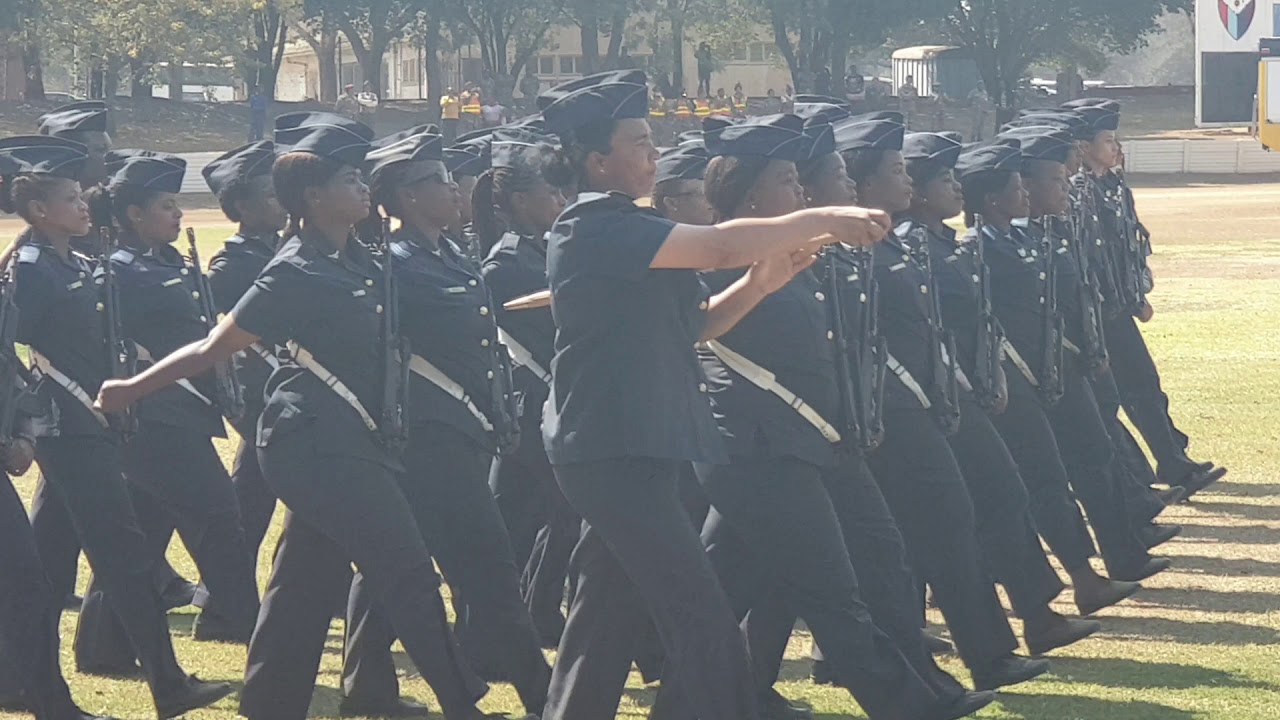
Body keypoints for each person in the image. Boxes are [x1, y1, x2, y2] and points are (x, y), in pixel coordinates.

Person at [94, 112, 514, 720]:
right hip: (311, 444)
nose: (364, 189)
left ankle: (268, 701)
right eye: (350, 180)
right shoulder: (294, 269)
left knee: (303, 580)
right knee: (408, 570)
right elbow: (215, 347)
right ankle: (461, 704)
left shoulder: (360, 260)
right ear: (313, 197)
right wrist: (132, 387)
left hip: (353, 442)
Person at [532, 69, 891, 720]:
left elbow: (698, 324)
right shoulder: (596, 227)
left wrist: (762, 282)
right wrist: (825, 217)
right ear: (597, 161)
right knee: (701, 616)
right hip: (611, 451)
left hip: (635, 443)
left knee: (605, 614)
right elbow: (722, 244)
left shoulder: (627, 228)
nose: (655, 153)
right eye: (639, 142)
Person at [660, 111, 995, 720]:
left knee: (782, 579)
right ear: (752, 192)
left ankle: (683, 706)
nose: (800, 192)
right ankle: (907, 704)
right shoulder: (718, 257)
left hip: (817, 442)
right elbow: (703, 342)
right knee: (833, 590)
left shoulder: (795, 252)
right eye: (788, 182)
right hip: (757, 451)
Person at [2, 135, 233, 719]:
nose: (85, 206)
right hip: (67, 431)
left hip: (92, 428)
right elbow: (9, 350)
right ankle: (167, 684)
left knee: (48, 569)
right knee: (124, 557)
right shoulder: (29, 271)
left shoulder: (76, 262)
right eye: (72, 198)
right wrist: (21, 423)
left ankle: (22, 683)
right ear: (38, 212)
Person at [339, 128, 552, 717]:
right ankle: (544, 695)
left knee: (400, 570)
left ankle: (366, 687)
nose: (452, 189)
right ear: (406, 199)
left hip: (463, 430)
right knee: (489, 568)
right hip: (429, 436)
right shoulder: (398, 266)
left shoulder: (450, 253)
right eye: (434, 181)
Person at [836, 113, 1054, 690]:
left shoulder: (889, 247)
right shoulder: (859, 254)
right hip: (896, 413)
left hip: (930, 403)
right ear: (860, 184)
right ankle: (983, 654)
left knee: (942, 525)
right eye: (895, 170)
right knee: (937, 529)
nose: (905, 179)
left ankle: (989, 648)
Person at [905, 130, 1146, 617]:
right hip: (1003, 383)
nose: (1031, 195)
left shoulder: (1011, 239)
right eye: (1020, 188)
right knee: (1031, 484)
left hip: (1045, 370)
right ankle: (1071, 581)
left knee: (1075, 464)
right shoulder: (963, 248)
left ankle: (1102, 565)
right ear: (995, 198)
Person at [73, 149, 262, 674]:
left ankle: (102, 651)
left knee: (142, 535)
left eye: (177, 204)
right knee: (223, 526)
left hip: (184, 414)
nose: (177, 214)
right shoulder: (119, 272)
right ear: (134, 214)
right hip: (156, 419)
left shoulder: (167, 262)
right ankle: (268, 650)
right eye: (165, 205)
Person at [1061, 98, 1224, 500]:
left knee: (1143, 385)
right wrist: (1121, 301)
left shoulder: (1111, 186)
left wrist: (1136, 294)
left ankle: (1172, 460)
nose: (1116, 147)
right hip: (1099, 308)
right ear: (1084, 148)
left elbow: (1126, 248)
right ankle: (1161, 469)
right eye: (1108, 139)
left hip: (1117, 303)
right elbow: (1091, 257)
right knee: (1126, 390)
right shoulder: (1080, 193)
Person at [477, 128, 575, 649]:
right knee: (564, 513)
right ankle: (529, 615)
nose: (561, 200)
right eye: (549, 192)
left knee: (517, 520)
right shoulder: (508, 263)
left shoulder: (546, 249)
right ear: (518, 201)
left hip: (543, 402)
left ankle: (507, 622)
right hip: (531, 400)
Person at [191, 140, 290, 640]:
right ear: (244, 209)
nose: (281, 203)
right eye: (270, 196)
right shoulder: (232, 266)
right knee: (253, 498)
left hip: (281, 386)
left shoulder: (277, 249)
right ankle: (223, 607)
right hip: (258, 388)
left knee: (254, 496)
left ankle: (222, 605)